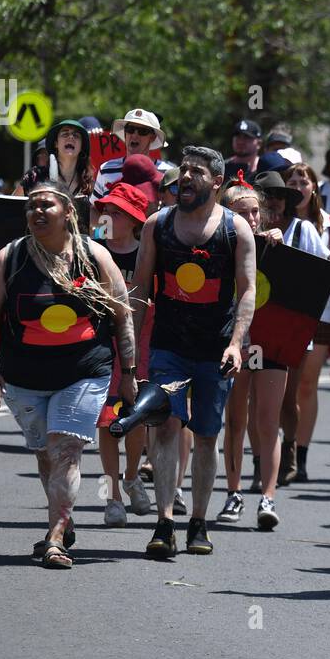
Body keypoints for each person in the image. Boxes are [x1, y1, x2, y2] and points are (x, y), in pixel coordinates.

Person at [0, 179, 137, 568]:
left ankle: (54, 540)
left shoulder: (93, 256)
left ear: (68, 212)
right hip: (24, 375)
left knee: (65, 450)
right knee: (46, 455)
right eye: (31, 206)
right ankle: (63, 521)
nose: (37, 211)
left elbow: (122, 315)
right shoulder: (10, 258)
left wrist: (129, 372)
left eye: (46, 205)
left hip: (85, 371)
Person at [131, 145, 256, 558]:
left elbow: (247, 291)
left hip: (214, 348)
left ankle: (198, 521)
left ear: (217, 183)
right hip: (169, 346)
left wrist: (237, 345)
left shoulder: (235, 230)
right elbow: (140, 290)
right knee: (165, 427)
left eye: (197, 172)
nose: (185, 177)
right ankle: (165, 521)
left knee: (206, 436)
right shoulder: (157, 225)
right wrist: (132, 350)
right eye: (183, 170)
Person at [245, 169, 325, 523]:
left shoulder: (302, 229)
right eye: (267, 197)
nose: (274, 202)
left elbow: (320, 270)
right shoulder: (245, 232)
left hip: (291, 323)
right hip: (253, 325)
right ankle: (259, 464)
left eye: (279, 197)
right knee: (253, 404)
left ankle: (290, 456)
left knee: (287, 398)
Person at [91, 182, 155, 527]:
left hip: (138, 345)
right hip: (100, 345)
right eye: (106, 209)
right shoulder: (93, 249)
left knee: (135, 417)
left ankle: (132, 476)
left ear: (133, 219)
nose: (108, 216)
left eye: (117, 211)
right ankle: (112, 497)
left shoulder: (145, 252)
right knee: (106, 420)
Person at [278, 162, 330, 486]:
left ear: (314, 188)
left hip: (320, 314)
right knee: (278, 389)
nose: (298, 185)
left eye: (304, 180)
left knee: (304, 385)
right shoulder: (272, 222)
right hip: (280, 316)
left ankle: (299, 454)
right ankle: (275, 453)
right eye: (292, 180)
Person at [217, 182, 264, 518]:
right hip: (219, 337)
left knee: (254, 415)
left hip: (259, 342)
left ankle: (262, 480)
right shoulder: (215, 242)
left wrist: (271, 244)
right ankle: (231, 491)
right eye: (242, 213)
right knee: (227, 420)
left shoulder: (269, 243)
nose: (251, 218)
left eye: (255, 212)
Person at [91, 109, 175, 209]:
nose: (135, 135)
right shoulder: (106, 169)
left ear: (152, 137)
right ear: (125, 133)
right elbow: (94, 209)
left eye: (142, 131)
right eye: (130, 129)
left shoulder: (168, 173)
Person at [14, 119, 92, 203]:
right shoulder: (34, 176)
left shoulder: (89, 185)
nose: (71, 137)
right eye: (65, 134)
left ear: (81, 147)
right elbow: (11, 206)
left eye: (76, 135)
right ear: (56, 144)